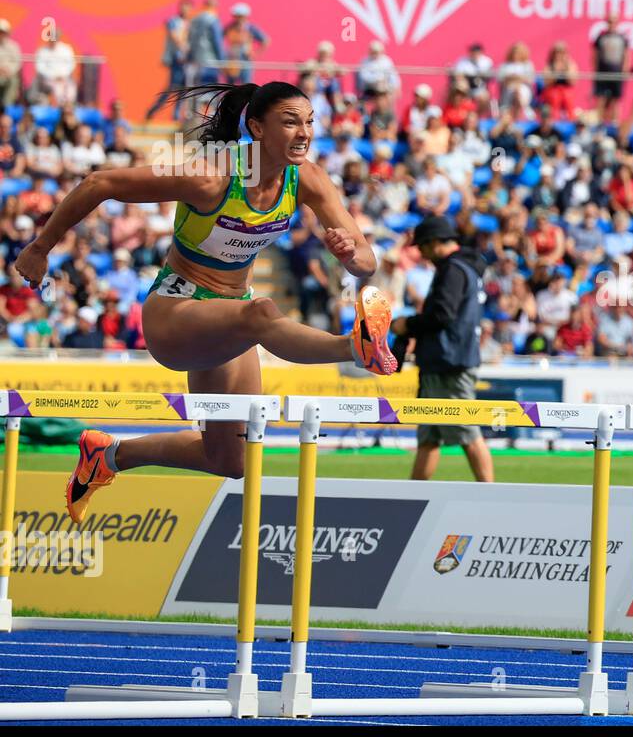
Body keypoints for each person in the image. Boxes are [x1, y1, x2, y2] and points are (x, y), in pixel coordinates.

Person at [13, 80, 398, 525]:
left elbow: (366, 262)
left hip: (228, 322)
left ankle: (108, 454)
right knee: (262, 313)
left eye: (310, 121)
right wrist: (40, 249)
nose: (304, 133)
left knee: (231, 460)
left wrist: (350, 254)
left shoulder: (307, 178)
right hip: (177, 315)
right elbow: (101, 183)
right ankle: (354, 348)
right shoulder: (210, 176)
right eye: (290, 122)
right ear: (256, 127)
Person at [390, 215, 494, 483]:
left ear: (436, 243)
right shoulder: (463, 268)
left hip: (451, 362)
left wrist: (407, 325)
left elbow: (442, 315)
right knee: (429, 436)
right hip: (444, 360)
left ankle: (492, 494)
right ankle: (413, 497)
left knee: (467, 433)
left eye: (423, 246)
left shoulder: (453, 270)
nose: (422, 254)